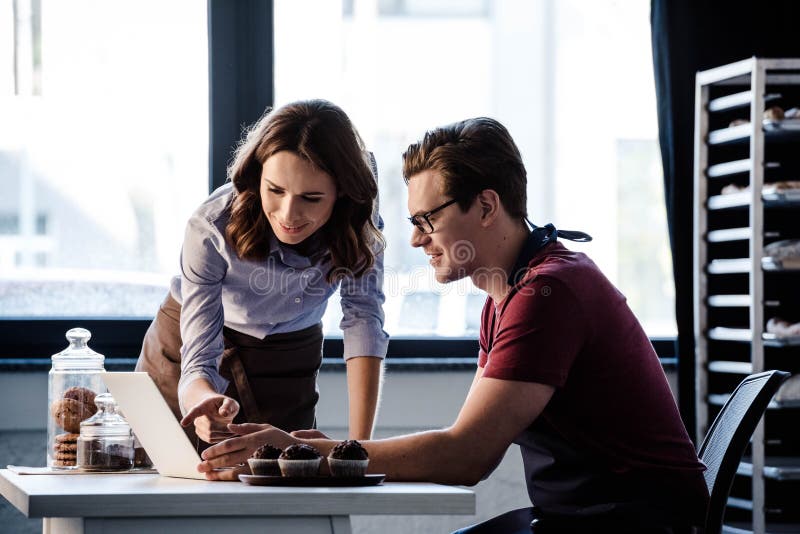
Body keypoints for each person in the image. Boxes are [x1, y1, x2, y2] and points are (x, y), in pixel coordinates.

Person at [196, 117, 709, 533]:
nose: (417, 241)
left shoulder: (547, 296)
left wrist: (314, 452)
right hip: (585, 521)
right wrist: (327, 451)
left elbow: (466, 456)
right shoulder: (509, 294)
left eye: (427, 220)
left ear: (486, 206)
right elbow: (464, 441)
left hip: (637, 528)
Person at [135, 99, 388, 447]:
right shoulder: (211, 226)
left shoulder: (359, 216)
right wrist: (201, 400)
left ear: (341, 192)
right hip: (185, 343)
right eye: (275, 190)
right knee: (165, 477)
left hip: (290, 352)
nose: (288, 214)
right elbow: (198, 362)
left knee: (288, 480)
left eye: (311, 198)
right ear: (257, 176)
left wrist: (361, 448)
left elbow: (363, 320)